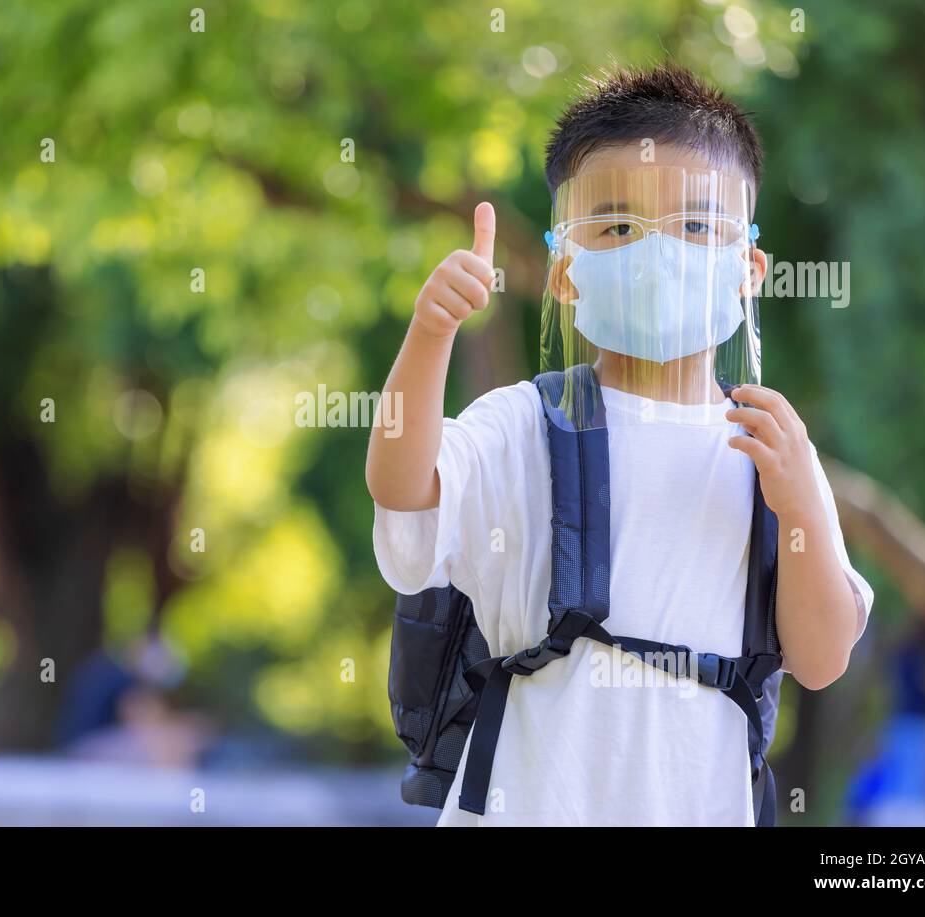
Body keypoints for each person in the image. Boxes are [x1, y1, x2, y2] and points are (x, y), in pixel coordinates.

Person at [366, 63, 874, 826]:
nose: (658, 253)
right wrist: (431, 332)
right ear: (566, 273)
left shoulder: (772, 452)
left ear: (748, 269)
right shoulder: (524, 423)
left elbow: (822, 656)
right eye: (618, 228)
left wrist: (800, 503)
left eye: (696, 226)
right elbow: (403, 486)